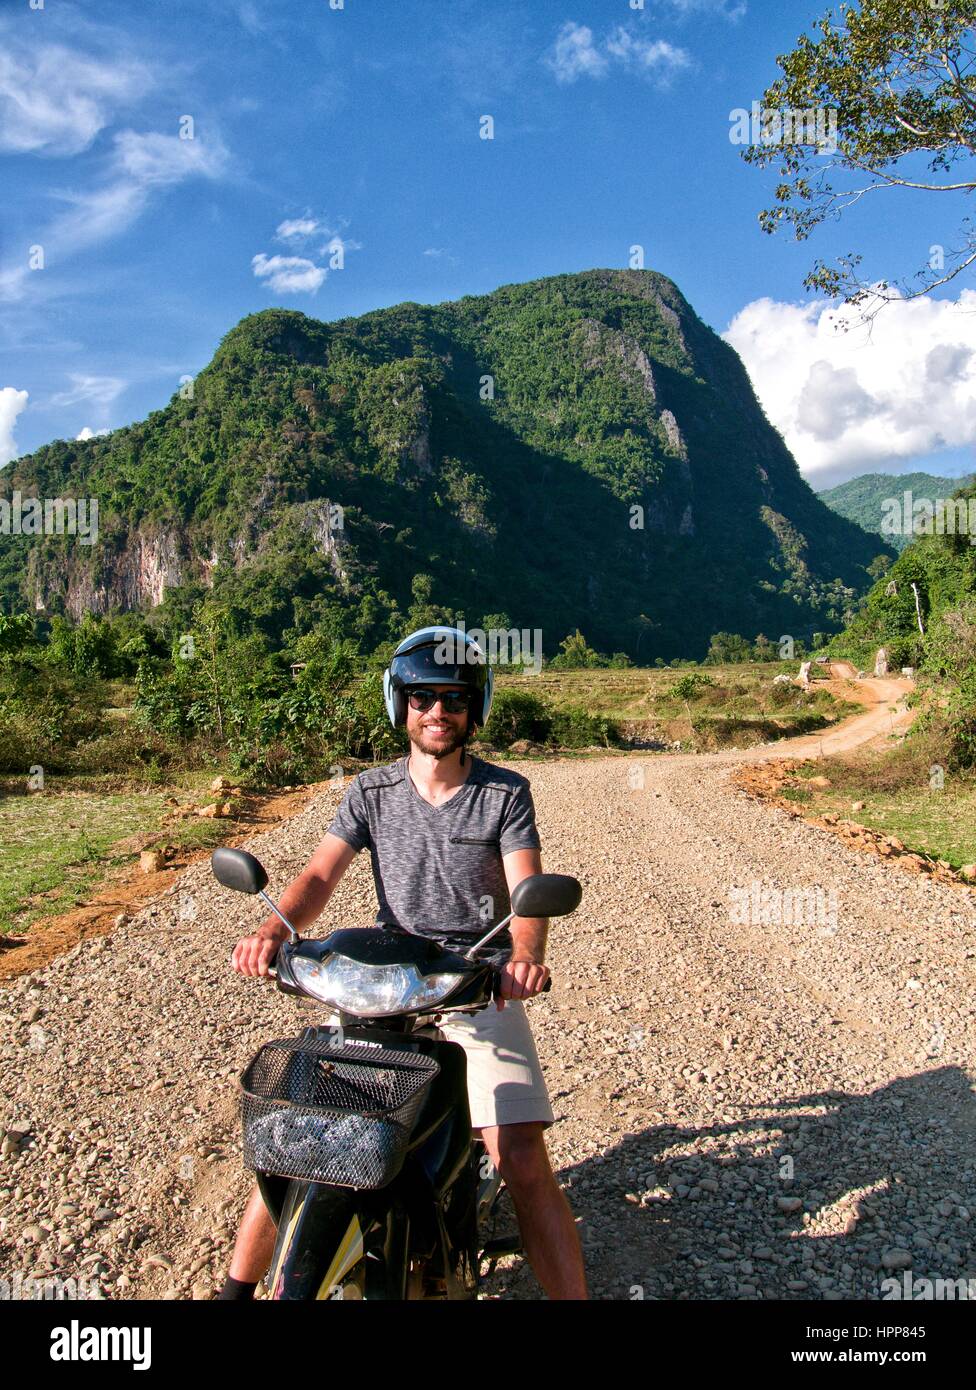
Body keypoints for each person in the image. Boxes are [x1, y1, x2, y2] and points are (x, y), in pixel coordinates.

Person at [217, 625, 587, 1300]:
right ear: (400, 705)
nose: (437, 712)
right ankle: (236, 1293)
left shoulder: (505, 794)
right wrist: (273, 929)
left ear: (476, 708)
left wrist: (524, 957)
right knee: (304, 1138)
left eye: (453, 698)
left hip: (474, 985)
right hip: (387, 983)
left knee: (522, 1156)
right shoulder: (370, 792)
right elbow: (320, 876)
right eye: (422, 698)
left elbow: (527, 890)